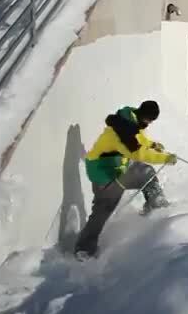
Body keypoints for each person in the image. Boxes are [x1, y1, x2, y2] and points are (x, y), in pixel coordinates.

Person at [74, 100, 177, 258]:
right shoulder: (122, 132)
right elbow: (137, 153)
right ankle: (84, 249)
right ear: (145, 117)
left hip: (116, 168)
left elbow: (138, 139)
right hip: (104, 173)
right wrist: (166, 158)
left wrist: (151, 144)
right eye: (150, 120)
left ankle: (156, 205)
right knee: (103, 209)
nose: (149, 124)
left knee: (146, 173)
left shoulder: (130, 120)